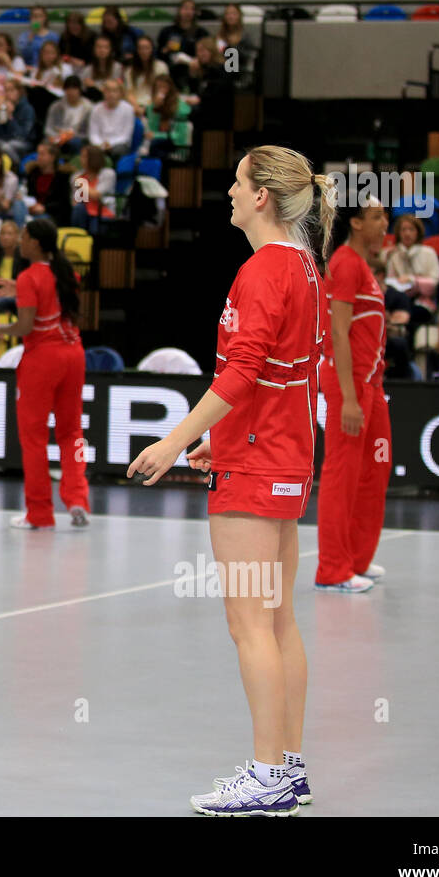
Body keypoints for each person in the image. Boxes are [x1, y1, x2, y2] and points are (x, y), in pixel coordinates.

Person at [129, 146, 330, 816]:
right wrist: (222, 436)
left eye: (238, 183)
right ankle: (289, 766)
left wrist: (173, 440)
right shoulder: (308, 268)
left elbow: (240, 372)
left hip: (254, 471)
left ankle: (268, 773)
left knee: (249, 622)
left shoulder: (261, 271)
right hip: (286, 459)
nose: (230, 194)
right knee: (278, 621)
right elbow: (284, 373)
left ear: (264, 196)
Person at [0, 217, 89, 530]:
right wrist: (21, 288)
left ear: (35, 243)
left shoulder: (30, 276)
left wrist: (0, 331)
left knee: (33, 438)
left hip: (43, 360)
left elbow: (27, 326)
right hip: (74, 355)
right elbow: (53, 295)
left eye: (24, 236)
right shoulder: (65, 273)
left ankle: (40, 513)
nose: (20, 241)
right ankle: (77, 500)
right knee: (71, 432)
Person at [316, 190, 389, 594]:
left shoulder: (363, 267)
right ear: (356, 222)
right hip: (350, 384)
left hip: (371, 385)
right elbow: (338, 334)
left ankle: (357, 558)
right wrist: (346, 396)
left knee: (373, 473)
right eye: (377, 217)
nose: (385, 224)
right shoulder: (345, 264)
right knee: (342, 475)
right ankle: (331, 569)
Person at [384, 214, 439, 319]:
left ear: (418, 232)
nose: (407, 233)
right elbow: (389, 280)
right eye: (403, 230)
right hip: (399, 300)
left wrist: (413, 281)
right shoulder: (393, 254)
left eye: (411, 229)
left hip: (423, 302)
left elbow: (434, 283)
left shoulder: (429, 253)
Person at [0, 78, 36, 167]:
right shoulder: (3, 107)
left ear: (19, 91)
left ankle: (18, 166)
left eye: (11, 90)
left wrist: (10, 117)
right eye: (6, 90)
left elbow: (22, 135)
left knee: (6, 147)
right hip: (6, 140)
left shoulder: (27, 109)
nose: (8, 93)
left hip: (24, 142)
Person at [145, 74, 193, 161]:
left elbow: (179, 136)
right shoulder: (152, 107)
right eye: (158, 88)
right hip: (160, 143)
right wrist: (155, 108)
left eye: (164, 87)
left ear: (171, 89)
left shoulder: (181, 107)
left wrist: (157, 135)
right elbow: (152, 129)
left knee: (154, 146)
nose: (162, 91)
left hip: (177, 147)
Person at [68, 145, 116, 232]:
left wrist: (81, 184)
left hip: (103, 210)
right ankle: (78, 238)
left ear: (94, 158)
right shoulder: (77, 176)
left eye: (84, 157)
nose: (80, 160)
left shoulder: (108, 174)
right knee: (78, 209)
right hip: (83, 211)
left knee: (95, 222)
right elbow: (75, 201)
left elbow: (96, 195)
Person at [0, 218, 29, 312]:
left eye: (9, 234)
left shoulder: (25, 258)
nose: (5, 237)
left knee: (1, 303)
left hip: (17, 295)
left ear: (17, 236)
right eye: (2, 233)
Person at [87, 78, 137, 161]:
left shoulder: (128, 109)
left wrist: (110, 144)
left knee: (118, 151)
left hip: (119, 144)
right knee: (90, 150)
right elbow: (93, 133)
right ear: (104, 92)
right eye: (108, 91)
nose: (111, 94)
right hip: (100, 144)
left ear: (120, 93)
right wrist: (101, 144)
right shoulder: (96, 109)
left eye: (114, 91)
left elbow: (125, 136)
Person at [23, 141, 71, 227]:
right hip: (32, 209)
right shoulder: (33, 173)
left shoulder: (63, 176)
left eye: (42, 154)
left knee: (40, 220)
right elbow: (29, 195)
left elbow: (64, 203)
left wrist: (45, 208)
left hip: (51, 214)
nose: (38, 157)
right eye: (38, 154)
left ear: (52, 157)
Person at [127, 35, 171, 109]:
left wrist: (153, 106)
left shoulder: (161, 66)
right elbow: (129, 93)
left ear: (152, 49)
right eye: (141, 48)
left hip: (156, 105)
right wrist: (137, 108)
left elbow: (164, 89)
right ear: (137, 50)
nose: (144, 51)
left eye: (147, 48)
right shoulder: (129, 71)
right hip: (137, 106)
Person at [80, 35, 125, 99]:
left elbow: (117, 90)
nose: (102, 50)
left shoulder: (117, 67)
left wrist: (94, 85)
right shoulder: (88, 69)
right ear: (94, 49)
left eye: (106, 47)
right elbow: (82, 89)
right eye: (99, 47)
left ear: (110, 50)